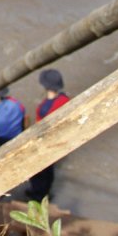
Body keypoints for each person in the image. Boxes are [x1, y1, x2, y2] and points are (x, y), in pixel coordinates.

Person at [25, 69, 70, 202]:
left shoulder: (52, 105)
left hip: (46, 140)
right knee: (47, 170)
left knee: (40, 170)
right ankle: (44, 194)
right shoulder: (63, 99)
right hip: (52, 139)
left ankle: (38, 196)